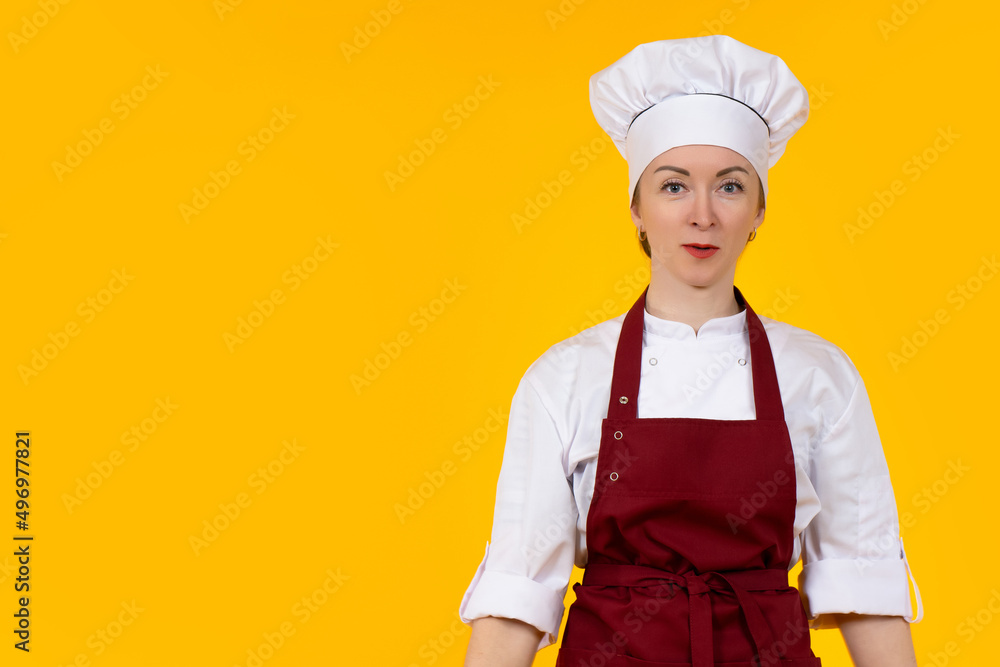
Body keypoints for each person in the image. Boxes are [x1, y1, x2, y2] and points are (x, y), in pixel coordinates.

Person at [460, 35, 923, 667]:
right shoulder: (564, 377)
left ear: (759, 209)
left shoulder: (820, 376)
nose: (702, 214)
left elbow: (866, 586)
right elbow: (516, 597)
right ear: (637, 208)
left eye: (730, 186)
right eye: (674, 187)